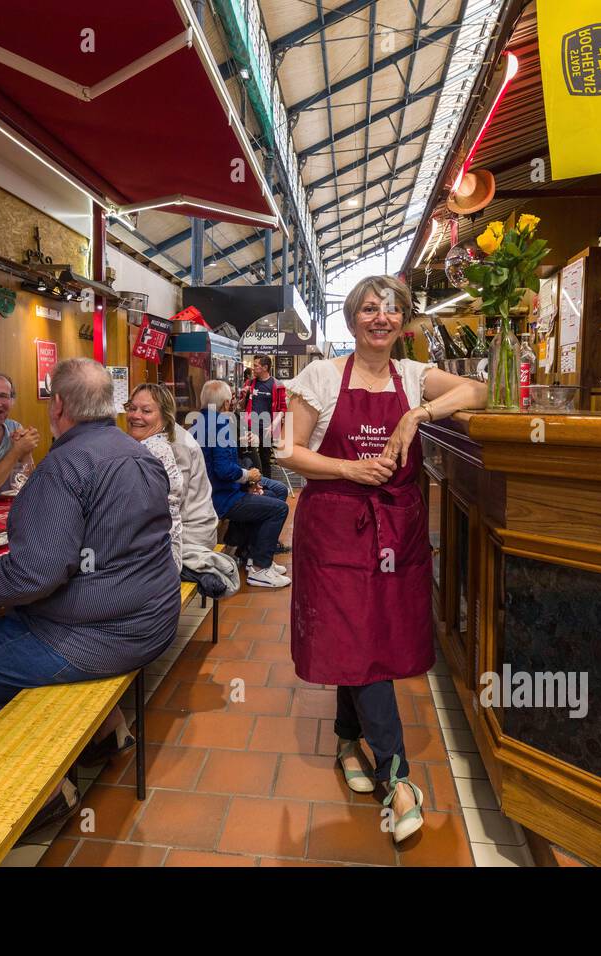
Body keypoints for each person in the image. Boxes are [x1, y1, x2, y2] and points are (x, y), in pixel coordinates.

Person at [0, 358, 179, 832]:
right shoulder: (136, 451)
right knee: (1, 634)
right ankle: (105, 736)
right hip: (154, 620)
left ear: (57, 406)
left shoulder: (65, 465)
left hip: (96, 638)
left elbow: (34, 578)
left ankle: (38, 798)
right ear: (111, 404)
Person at [282, 275, 485, 844]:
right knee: (355, 637)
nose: (381, 319)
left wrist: (415, 415)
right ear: (351, 320)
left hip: (396, 528)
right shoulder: (320, 376)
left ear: (403, 322)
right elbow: (287, 450)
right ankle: (399, 778)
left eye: (391, 311)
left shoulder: (416, 378)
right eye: (369, 310)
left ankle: (348, 740)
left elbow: (478, 390)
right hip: (335, 531)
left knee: (371, 637)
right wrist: (348, 468)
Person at [196, 379, 290, 589]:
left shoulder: (199, 421)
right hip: (222, 497)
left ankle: (253, 555)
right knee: (278, 508)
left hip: (216, 490)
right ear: (226, 403)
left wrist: (248, 480)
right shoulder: (219, 424)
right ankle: (259, 567)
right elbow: (223, 470)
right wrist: (249, 478)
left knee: (274, 493)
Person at [124, 383, 183, 572]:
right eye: (132, 408)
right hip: (162, 554)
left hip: (156, 563)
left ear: (165, 417)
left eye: (146, 411)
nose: (136, 416)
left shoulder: (151, 453)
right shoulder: (147, 446)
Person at [248, 355, 286, 478]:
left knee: (264, 459)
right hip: (250, 427)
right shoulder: (250, 383)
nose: (253, 368)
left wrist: (274, 424)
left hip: (266, 428)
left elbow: (283, 408)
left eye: (256, 366)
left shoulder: (277, 385)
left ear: (265, 367)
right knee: (250, 458)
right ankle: (253, 487)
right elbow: (243, 405)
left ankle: (267, 486)